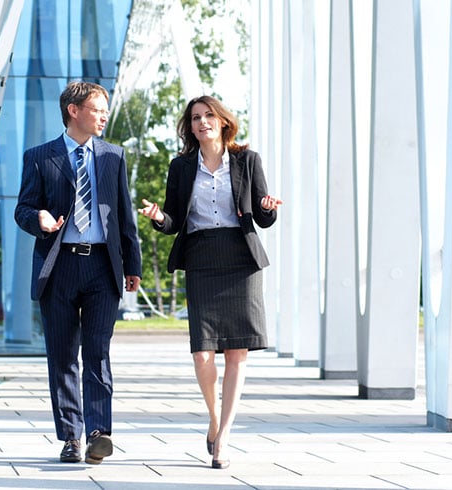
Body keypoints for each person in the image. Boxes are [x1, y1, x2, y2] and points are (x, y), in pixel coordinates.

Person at [138, 95, 282, 469]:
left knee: (237, 353)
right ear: (190, 126)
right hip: (201, 257)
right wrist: (157, 216)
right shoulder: (181, 167)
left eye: (208, 116)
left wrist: (266, 207)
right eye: (195, 118)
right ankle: (214, 420)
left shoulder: (248, 160)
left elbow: (262, 220)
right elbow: (173, 221)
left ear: (222, 122)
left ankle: (226, 438)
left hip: (241, 258)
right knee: (202, 353)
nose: (202, 122)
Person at [15, 81, 142, 465]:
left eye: (105, 110)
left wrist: (132, 265)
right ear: (74, 111)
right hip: (60, 266)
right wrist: (38, 218)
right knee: (63, 355)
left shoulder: (113, 157)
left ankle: (99, 433)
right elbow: (23, 208)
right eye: (98, 109)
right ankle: (71, 436)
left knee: (98, 353)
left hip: (103, 267)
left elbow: (124, 215)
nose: (104, 116)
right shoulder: (39, 157)